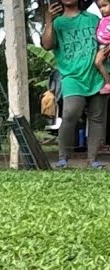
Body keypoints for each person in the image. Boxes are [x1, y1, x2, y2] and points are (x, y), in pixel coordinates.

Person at [43, 0, 106, 168]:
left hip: (96, 75)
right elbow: (47, 45)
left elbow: (104, 38)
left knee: (97, 118)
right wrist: (48, 20)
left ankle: (93, 160)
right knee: (70, 114)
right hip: (72, 77)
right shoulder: (57, 22)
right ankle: (63, 157)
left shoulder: (92, 19)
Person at [95, 0, 110, 93]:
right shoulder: (103, 19)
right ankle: (108, 83)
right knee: (97, 63)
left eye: (105, 5)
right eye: (100, 7)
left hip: (106, 45)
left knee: (97, 62)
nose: (102, 9)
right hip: (102, 46)